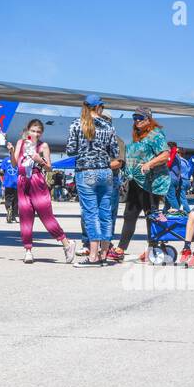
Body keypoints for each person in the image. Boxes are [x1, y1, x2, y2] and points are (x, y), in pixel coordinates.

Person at [67, 95, 122, 265]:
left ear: (85, 106)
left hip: (86, 171)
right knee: (105, 213)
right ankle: (104, 255)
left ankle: (92, 256)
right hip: (105, 172)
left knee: (91, 214)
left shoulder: (77, 124)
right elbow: (114, 151)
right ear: (101, 107)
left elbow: (70, 150)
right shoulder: (108, 126)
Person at [13, 118, 77, 264]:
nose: (35, 134)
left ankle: (67, 243)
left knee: (46, 217)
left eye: (38, 132)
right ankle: (28, 250)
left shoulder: (43, 146)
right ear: (27, 130)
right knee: (25, 217)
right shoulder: (20, 143)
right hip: (22, 181)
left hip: (37, 181)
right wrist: (11, 151)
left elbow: (49, 168)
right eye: (33, 131)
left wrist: (39, 160)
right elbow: (15, 163)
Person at [115, 107, 172, 263]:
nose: (137, 121)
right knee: (129, 215)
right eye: (134, 118)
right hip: (135, 181)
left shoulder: (155, 135)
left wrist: (150, 163)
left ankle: (153, 248)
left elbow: (165, 154)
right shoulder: (138, 136)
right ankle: (120, 249)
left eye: (140, 118)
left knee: (150, 216)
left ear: (148, 119)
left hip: (150, 183)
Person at [0, 154, 19, 224]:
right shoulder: (19, 160)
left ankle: (9, 209)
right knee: (16, 200)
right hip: (17, 183)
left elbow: (1, 171)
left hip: (8, 183)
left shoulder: (5, 160)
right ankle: (13, 215)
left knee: (8, 198)